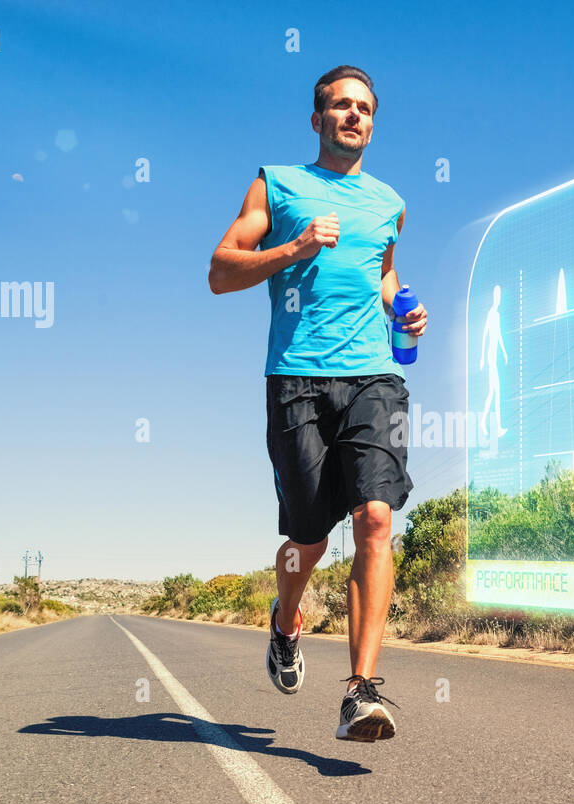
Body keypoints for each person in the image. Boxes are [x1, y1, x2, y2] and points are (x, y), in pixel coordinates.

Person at [208, 65, 427, 742]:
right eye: (340, 106)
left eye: (364, 108)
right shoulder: (277, 184)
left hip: (373, 380)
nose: (354, 116)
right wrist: (295, 246)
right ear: (317, 119)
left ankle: (360, 691)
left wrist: (405, 309)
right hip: (296, 380)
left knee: (375, 518)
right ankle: (286, 621)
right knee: (308, 538)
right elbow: (220, 271)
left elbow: (382, 276)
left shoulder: (388, 203)